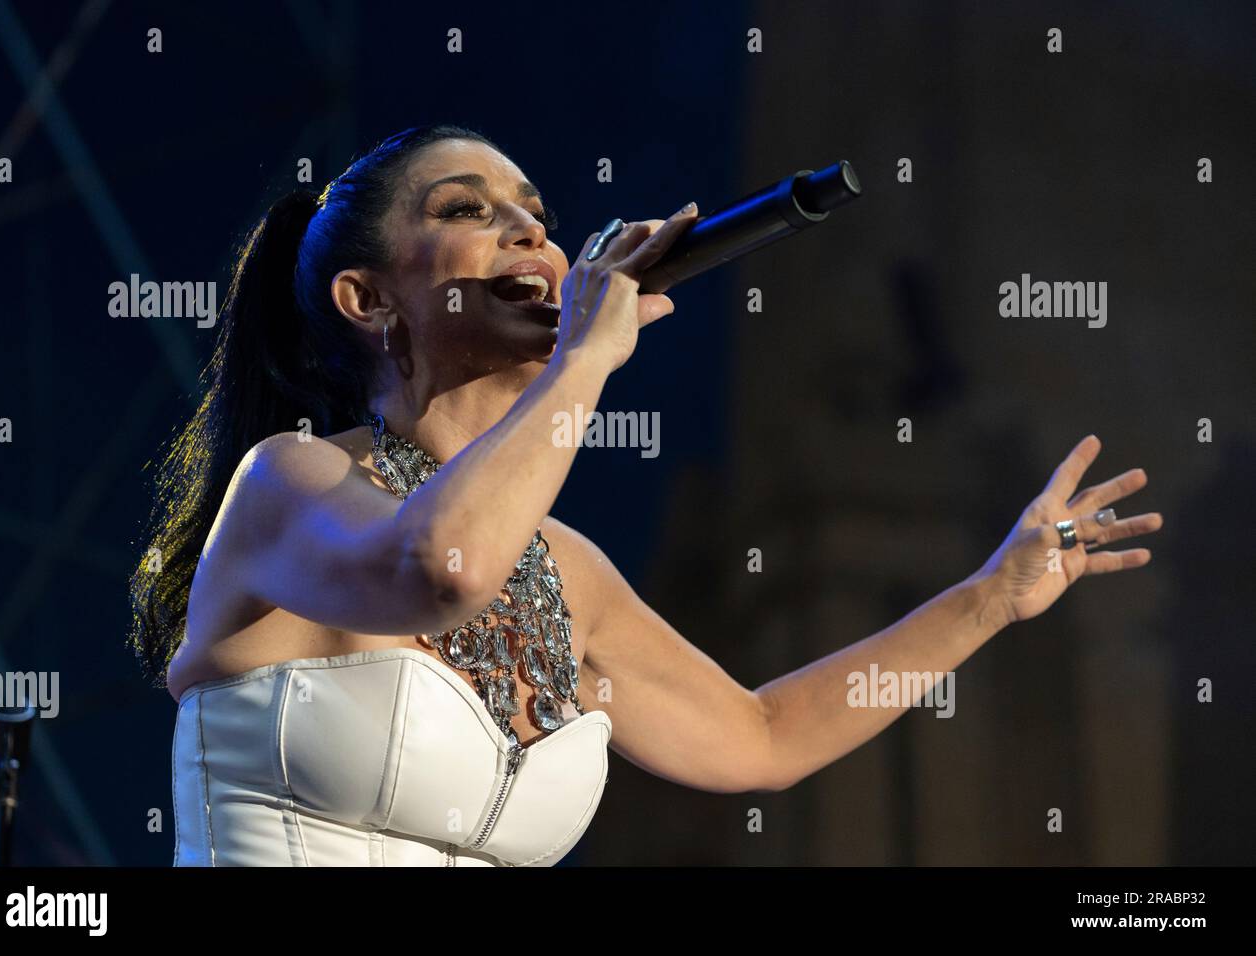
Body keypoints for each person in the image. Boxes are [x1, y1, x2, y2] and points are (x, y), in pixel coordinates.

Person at [127, 123, 1163, 866]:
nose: (528, 236)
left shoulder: (567, 572)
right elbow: (437, 567)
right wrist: (585, 362)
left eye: (536, 218)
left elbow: (763, 737)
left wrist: (989, 593)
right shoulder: (291, 483)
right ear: (367, 300)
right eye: (467, 211)